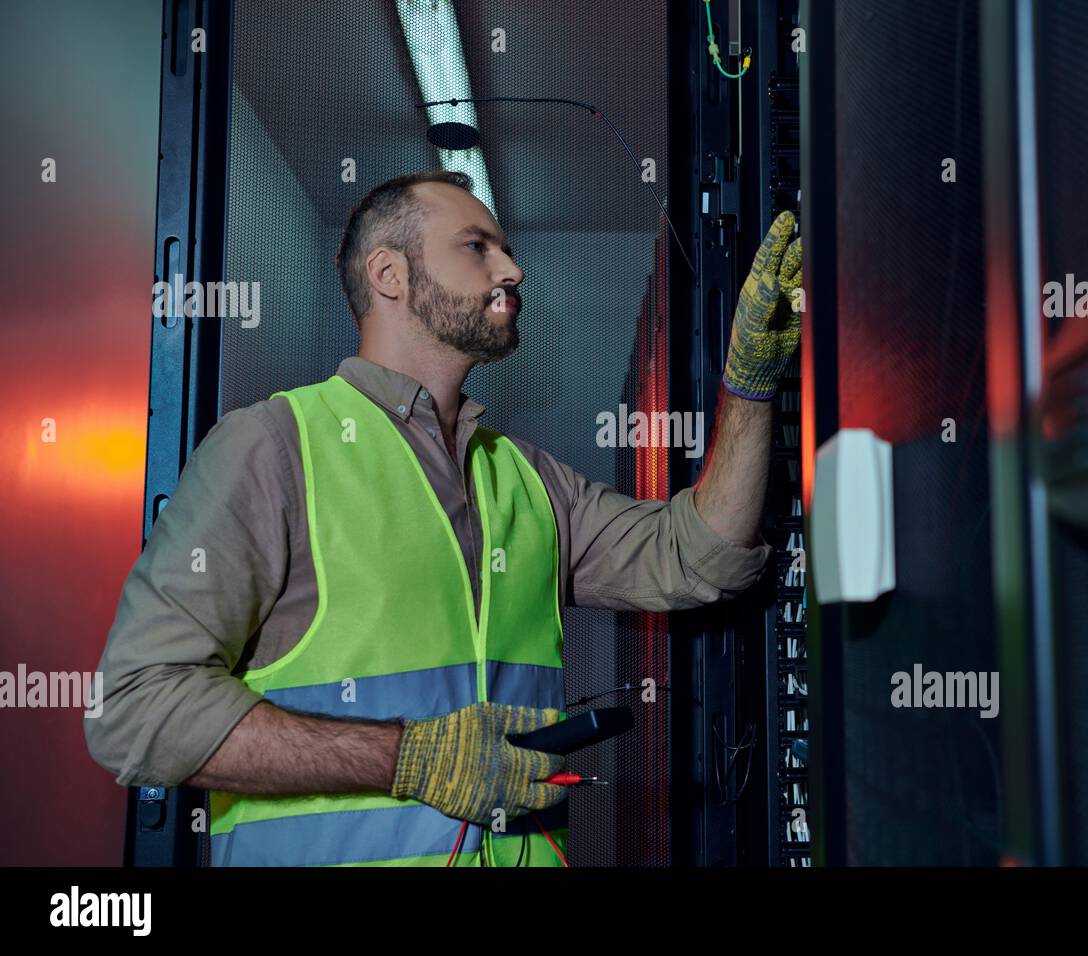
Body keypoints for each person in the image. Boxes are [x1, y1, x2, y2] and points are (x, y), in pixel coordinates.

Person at [85, 169, 803, 866]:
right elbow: (137, 711)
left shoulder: (525, 480)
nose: (513, 270)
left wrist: (749, 384)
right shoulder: (274, 449)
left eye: (507, 250)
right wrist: (409, 759)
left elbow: (698, 556)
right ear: (390, 274)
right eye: (477, 246)